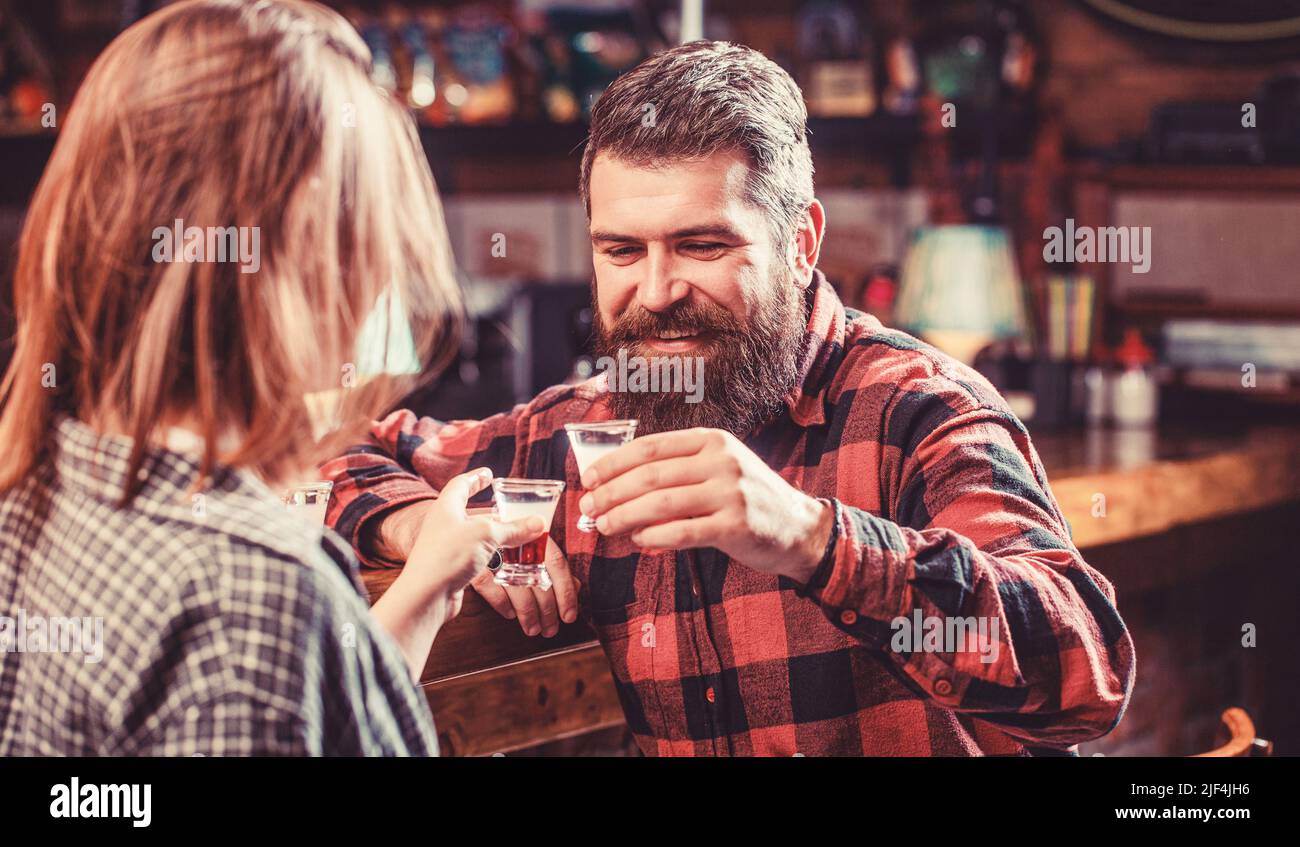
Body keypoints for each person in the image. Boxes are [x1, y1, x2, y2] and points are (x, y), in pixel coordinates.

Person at [323, 41, 1136, 756]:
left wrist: (811, 540)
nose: (657, 290)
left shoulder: (917, 410)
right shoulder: (585, 432)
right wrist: (429, 524)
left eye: (702, 245)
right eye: (621, 250)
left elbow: (1086, 674)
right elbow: (343, 449)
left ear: (800, 243)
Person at [0, 0, 541, 756]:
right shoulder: (256, 594)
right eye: (365, 239)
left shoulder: (42, 483)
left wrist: (421, 591)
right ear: (305, 265)